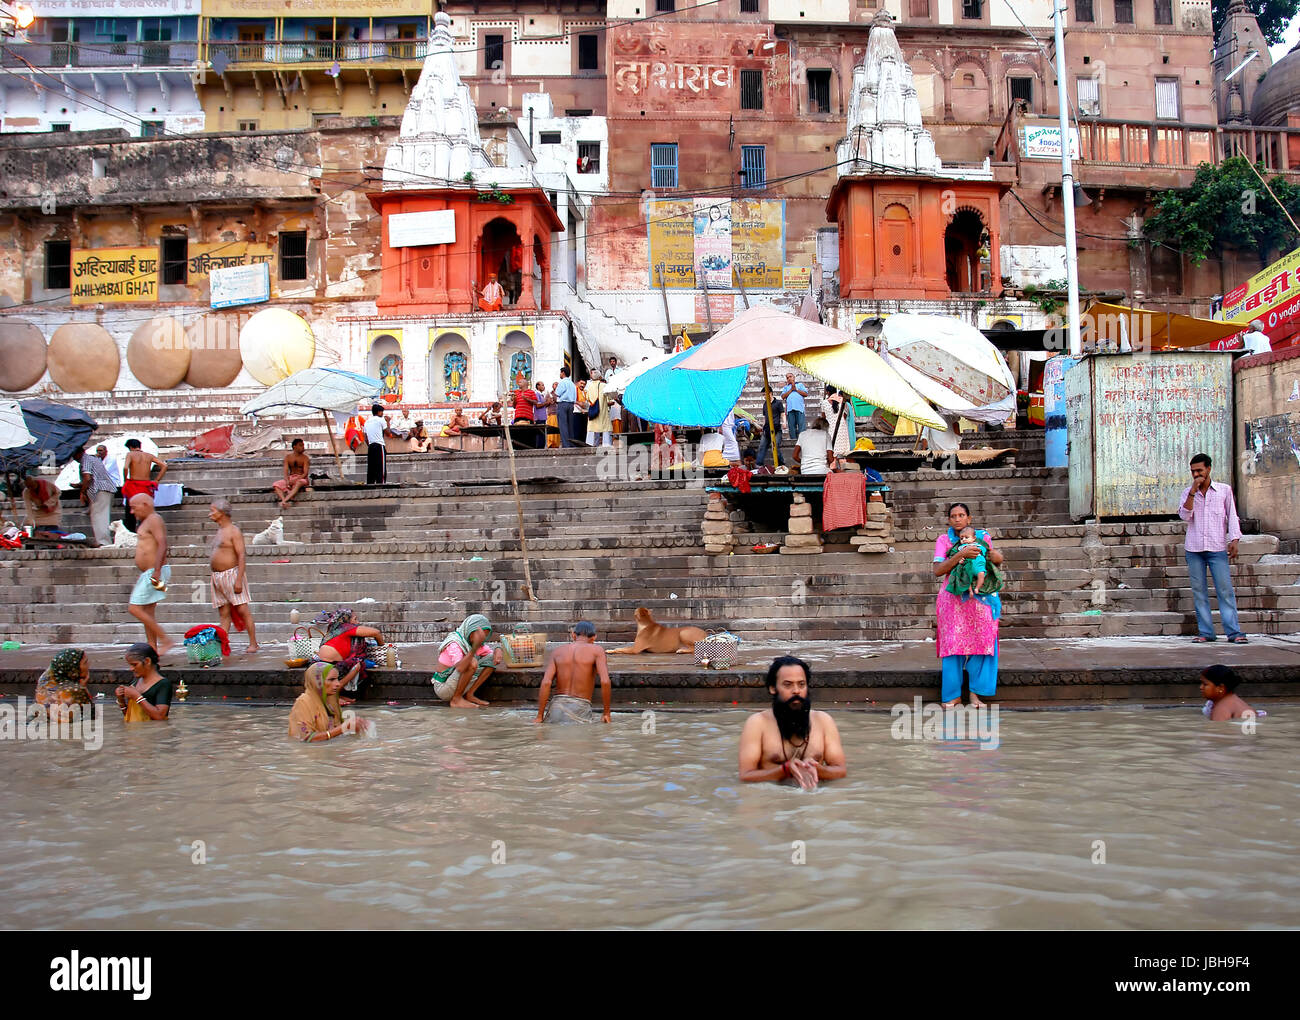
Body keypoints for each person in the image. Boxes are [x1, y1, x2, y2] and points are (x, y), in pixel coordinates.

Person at [932, 502, 1003, 708]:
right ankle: (952, 695)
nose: (957, 519)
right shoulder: (944, 540)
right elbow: (937, 570)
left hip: (982, 599)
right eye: (953, 516)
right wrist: (961, 554)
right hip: (953, 600)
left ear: (969, 519)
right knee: (952, 645)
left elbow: (995, 559)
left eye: (961, 515)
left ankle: (975, 694)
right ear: (948, 520)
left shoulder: (983, 537)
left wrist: (997, 556)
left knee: (983, 643)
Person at [738, 655, 846, 789]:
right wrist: (784, 770)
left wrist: (818, 769)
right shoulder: (757, 723)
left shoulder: (823, 721)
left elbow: (840, 770)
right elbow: (746, 775)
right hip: (773, 800)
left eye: (801, 684)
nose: (796, 691)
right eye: (788, 685)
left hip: (815, 800)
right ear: (773, 688)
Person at [1179, 452, 1245, 644]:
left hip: (1216, 547)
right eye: (1193, 471)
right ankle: (1206, 632)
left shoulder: (1224, 490)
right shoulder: (1187, 492)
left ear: (1209, 469)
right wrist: (1193, 491)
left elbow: (1232, 516)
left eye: (1199, 470)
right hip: (1194, 549)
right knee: (1199, 592)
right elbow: (1185, 516)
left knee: (1225, 591)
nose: (1196, 474)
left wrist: (1234, 539)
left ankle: (1234, 632)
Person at [535, 621, 612, 724]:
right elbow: (605, 681)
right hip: (580, 708)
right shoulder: (597, 651)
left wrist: (540, 716)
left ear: (573, 635)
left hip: (556, 707)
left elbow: (546, 683)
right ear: (594, 637)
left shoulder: (557, 651)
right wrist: (606, 713)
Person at [208, 498, 259, 653]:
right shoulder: (220, 531)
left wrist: (238, 580)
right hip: (217, 577)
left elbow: (241, 555)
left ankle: (253, 643)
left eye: (213, 510)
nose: (210, 514)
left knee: (243, 609)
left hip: (232, 574)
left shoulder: (234, 531)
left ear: (222, 513)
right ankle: (223, 645)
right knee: (223, 613)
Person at [127, 493, 173, 654]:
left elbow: (162, 543)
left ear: (145, 504)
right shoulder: (147, 521)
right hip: (151, 572)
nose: (132, 512)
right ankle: (152, 647)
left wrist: (157, 570)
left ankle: (166, 641)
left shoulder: (154, 519)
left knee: (134, 608)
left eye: (134, 508)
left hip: (155, 572)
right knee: (148, 610)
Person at [431, 613, 502, 709]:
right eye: (479, 636)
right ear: (470, 631)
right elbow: (460, 667)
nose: (482, 640)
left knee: (490, 658)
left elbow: (490, 652)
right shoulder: (454, 643)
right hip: (444, 688)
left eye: (484, 637)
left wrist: (498, 649)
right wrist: (474, 647)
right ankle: (456, 700)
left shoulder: (472, 643)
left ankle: (470, 694)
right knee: (472, 662)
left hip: (456, 683)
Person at [288, 661, 371, 742]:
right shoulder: (304, 702)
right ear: (317, 682)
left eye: (337, 679)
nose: (337, 684)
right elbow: (305, 738)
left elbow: (337, 731)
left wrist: (355, 727)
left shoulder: (330, 700)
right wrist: (343, 728)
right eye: (331, 680)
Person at [314, 607, 385, 700]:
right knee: (357, 664)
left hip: (317, 664)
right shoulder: (346, 627)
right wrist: (382, 646)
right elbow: (376, 632)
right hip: (330, 667)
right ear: (347, 620)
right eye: (355, 619)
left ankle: (336, 696)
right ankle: (333, 697)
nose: (357, 622)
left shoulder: (334, 628)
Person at [115, 642, 171, 721]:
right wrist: (121, 700)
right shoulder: (136, 681)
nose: (131, 669)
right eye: (130, 665)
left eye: (134, 665)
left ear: (147, 661)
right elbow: (130, 715)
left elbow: (160, 717)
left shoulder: (163, 684)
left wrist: (136, 696)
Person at [35, 648, 93, 723]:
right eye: (85, 663)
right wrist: (83, 688)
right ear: (73, 669)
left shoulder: (45, 681)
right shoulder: (75, 691)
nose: (88, 665)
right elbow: (91, 714)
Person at [122, 438, 165, 531]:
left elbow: (125, 467)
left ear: (130, 447)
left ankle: (131, 531)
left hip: (133, 484)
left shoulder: (130, 454)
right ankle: (146, 530)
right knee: (146, 509)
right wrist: (157, 480)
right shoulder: (149, 455)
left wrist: (126, 479)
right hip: (146, 485)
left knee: (131, 509)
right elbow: (164, 465)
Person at [77, 445, 116, 547]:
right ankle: (103, 541)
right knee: (100, 515)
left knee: (99, 516)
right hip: (105, 489)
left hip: (100, 489)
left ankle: (103, 542)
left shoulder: (86, 459)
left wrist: (82, 492)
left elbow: (87, 478)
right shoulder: (93, 458)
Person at [947, 525, 995, 600]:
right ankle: (970, 591)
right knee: (966, 577)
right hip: (967, 566)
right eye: (961, 538)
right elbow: (959, 556)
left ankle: (977, 588)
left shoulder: (978, 545)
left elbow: (984, 551)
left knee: (981, 574)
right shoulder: (961, 548)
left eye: (966, 537)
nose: (964, 539)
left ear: (974, 538)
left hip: (978, 565)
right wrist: (961, 560)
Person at [21, 473, 63, 538]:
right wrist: (30, 519)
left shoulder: (47, 484)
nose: (30, 488)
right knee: (28, 523)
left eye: (31, 486)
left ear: (34, 482)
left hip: (53, 510)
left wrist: (49, 503)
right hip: (39, 511)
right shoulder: (26, 492)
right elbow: (28, 506)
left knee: (52, 527)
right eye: (28, 487)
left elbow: (58, 492)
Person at [273, 439, 311, 510]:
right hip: (291, 477)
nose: (303, 447)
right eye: (300, 445)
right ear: (294, 447)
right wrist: (287, 480)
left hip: (302, 479)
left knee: (299, 482)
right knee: (276, 484)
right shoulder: (288, 457)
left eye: (303, 445)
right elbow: (286, 470)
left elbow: (305, 473)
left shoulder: (305, 458)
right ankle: (283, 499)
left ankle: (284, 501)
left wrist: (296, 479)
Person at [822, 386, 856, 457]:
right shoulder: (843, 402)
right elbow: (845, 416)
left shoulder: (824, 403)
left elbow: (823, 417)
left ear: (828, 392)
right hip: (842, 429)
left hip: (830, 428)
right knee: (843, 453)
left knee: (831, 450)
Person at [585, 371, 613, 446]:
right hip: (603, 411)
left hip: (594, 411)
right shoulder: (604, 385)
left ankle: (590, 444)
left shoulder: (589, 386)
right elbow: (610, 398)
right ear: (599, 377)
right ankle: (606, 445)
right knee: (605, 428)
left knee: (592, 428)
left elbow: (587, 398)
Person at [364, 403, 388, 485]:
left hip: (371, 446)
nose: (382, 414)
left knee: (371, 466)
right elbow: (388, 432)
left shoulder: (366, 422)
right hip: (379, 445)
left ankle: (370, 483)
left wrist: (371, 444)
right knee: (381, 466)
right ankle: (381, 483)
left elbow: (365, 438)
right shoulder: (381, 420)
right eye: (382, 412)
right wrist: (388, 421)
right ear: (378, 412)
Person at [554, 366, 578, 448]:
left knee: (563, 425)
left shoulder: (563, 382)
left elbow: (557, 393)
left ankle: (566, 445)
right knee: (570, 425)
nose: (560, 374)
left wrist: (554, 399)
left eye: (560, 372)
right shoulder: (572, 384)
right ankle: (571, 443)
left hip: (563, 404)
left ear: (563, 373)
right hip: (571, 405)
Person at [781, 373, 808, 439]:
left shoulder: (800, 385)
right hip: (790, 409)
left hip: (799, 408)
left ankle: (802, 441)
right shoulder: (786, 387)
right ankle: (793, 441)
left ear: (794, 377)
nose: (789, 378)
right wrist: (791, 390)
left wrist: (796, 389)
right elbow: (783, 396)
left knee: (801, 426)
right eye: (787, 378)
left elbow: (805, 394)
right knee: (792, 427)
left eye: (790, 376)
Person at [533, 381, 551, 449]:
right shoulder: (536, 394)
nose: (544, 386)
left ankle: (542, 446)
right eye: (542, 385)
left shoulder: (541, 395)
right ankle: (539, 447)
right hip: (539, 417)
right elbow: (538, 405)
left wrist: (548, 403)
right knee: (540, 434)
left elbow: (543, 406)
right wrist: (547, 402)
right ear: (538, 386)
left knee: (543, 433)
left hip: (543, 416)